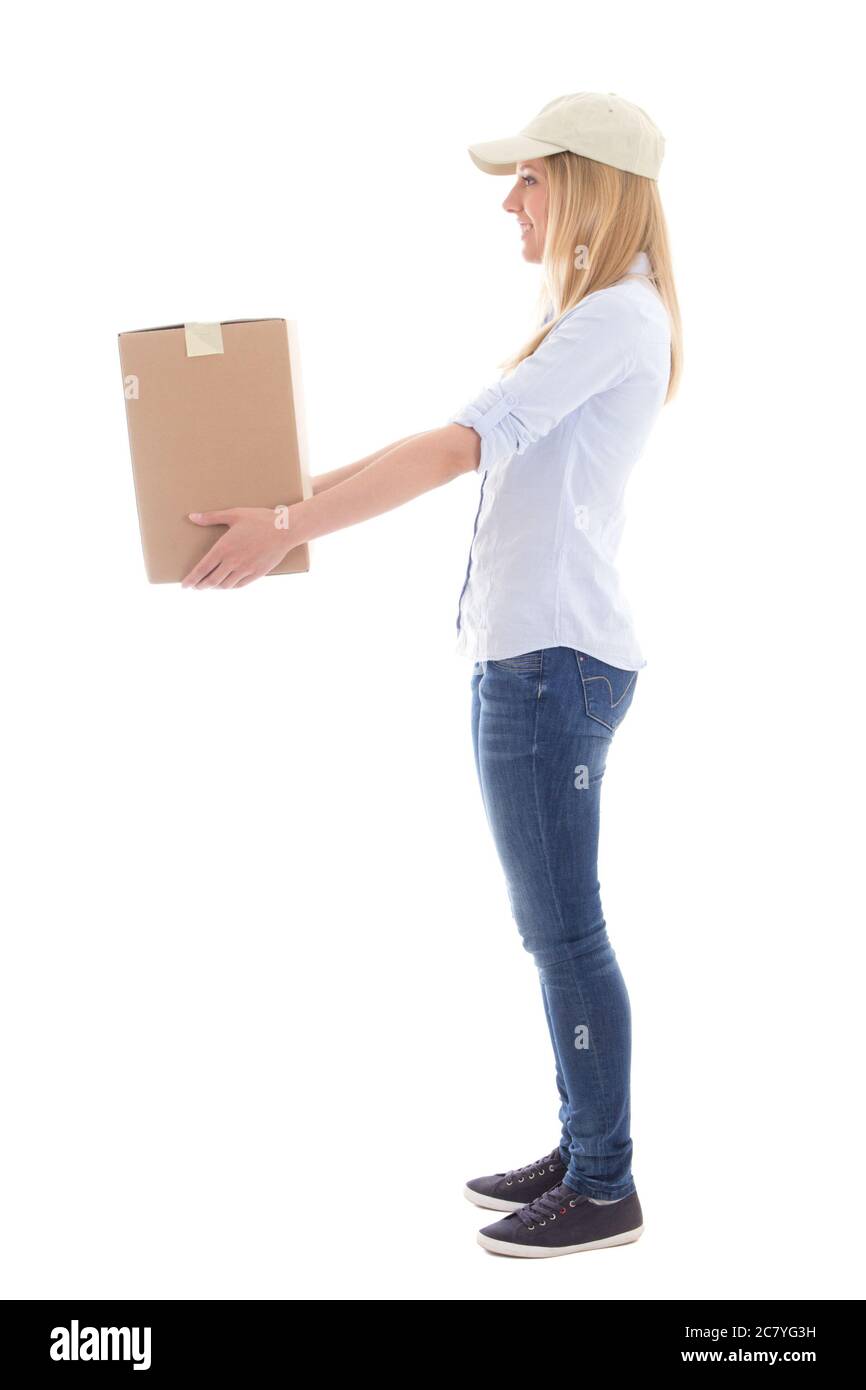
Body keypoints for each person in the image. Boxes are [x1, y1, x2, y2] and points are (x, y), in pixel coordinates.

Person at [181, 91, 682, 1261]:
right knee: (550, 928)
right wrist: (284, 506)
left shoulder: (614, 315)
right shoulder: (588, 310)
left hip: (553, 665)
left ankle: (604, 1182)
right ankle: (584, 1137)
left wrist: (292, 521)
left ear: (590, 185)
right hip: (535, 659)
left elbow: (457, 449)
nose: (511, 202)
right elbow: (452, 430)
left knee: (565, 933)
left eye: (529, 180)